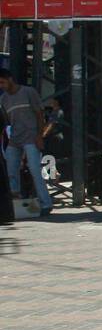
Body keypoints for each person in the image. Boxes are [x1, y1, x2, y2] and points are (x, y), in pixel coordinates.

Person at [0, 67, 53, 217]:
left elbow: (39, 114)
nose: (1, 86)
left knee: (36, 170)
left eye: (3, 82)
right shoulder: (3, 99)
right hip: (14, 139)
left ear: (10, 79)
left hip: (31, 137)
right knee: (10, 171)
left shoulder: (28, 92)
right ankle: (15, 203)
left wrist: (39, 136)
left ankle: (45, 204)